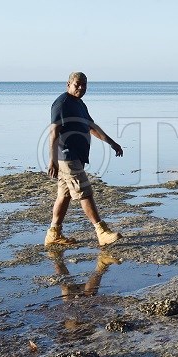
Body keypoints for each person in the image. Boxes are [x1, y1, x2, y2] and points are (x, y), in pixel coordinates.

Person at [44, 71, 124, 247]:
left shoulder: (79, 104)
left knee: (64, 196)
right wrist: (53, 160)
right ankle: (101, 231)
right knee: (84, 191)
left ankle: (53, 234)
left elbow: (91, 127)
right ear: (68, 84)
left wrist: (112, 143)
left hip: (76, 156)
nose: (81, 87)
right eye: (77, 84)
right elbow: (54, 132)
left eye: (84, 85)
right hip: (67, 156)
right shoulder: (61, 104)